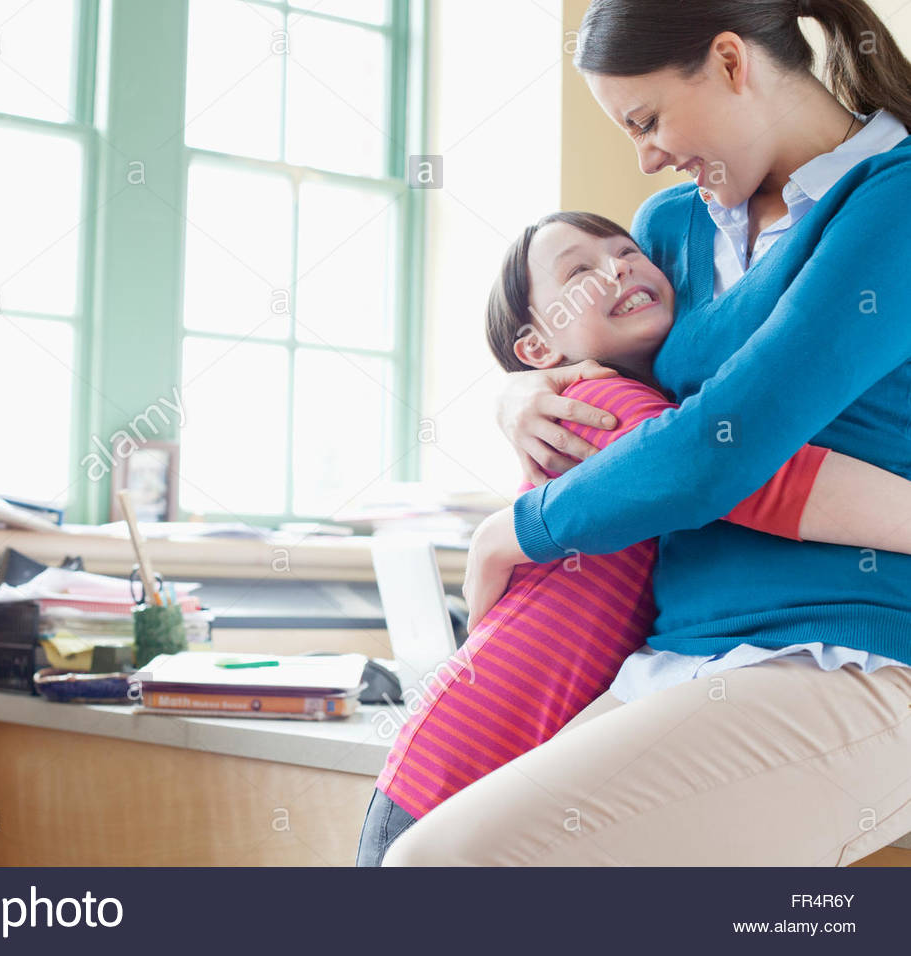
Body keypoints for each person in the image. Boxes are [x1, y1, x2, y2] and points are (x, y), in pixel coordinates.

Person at [384, 0, 911, 866]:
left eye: (648, 119)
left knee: (437, 869)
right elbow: (618, 395)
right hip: (673, 655)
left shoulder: (891, 201)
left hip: (849, 655)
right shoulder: (672, 226)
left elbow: (720, 447)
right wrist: (518, 392)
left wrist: (513, 532)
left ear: (733, 62)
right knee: (410, 830)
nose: (645, 156)